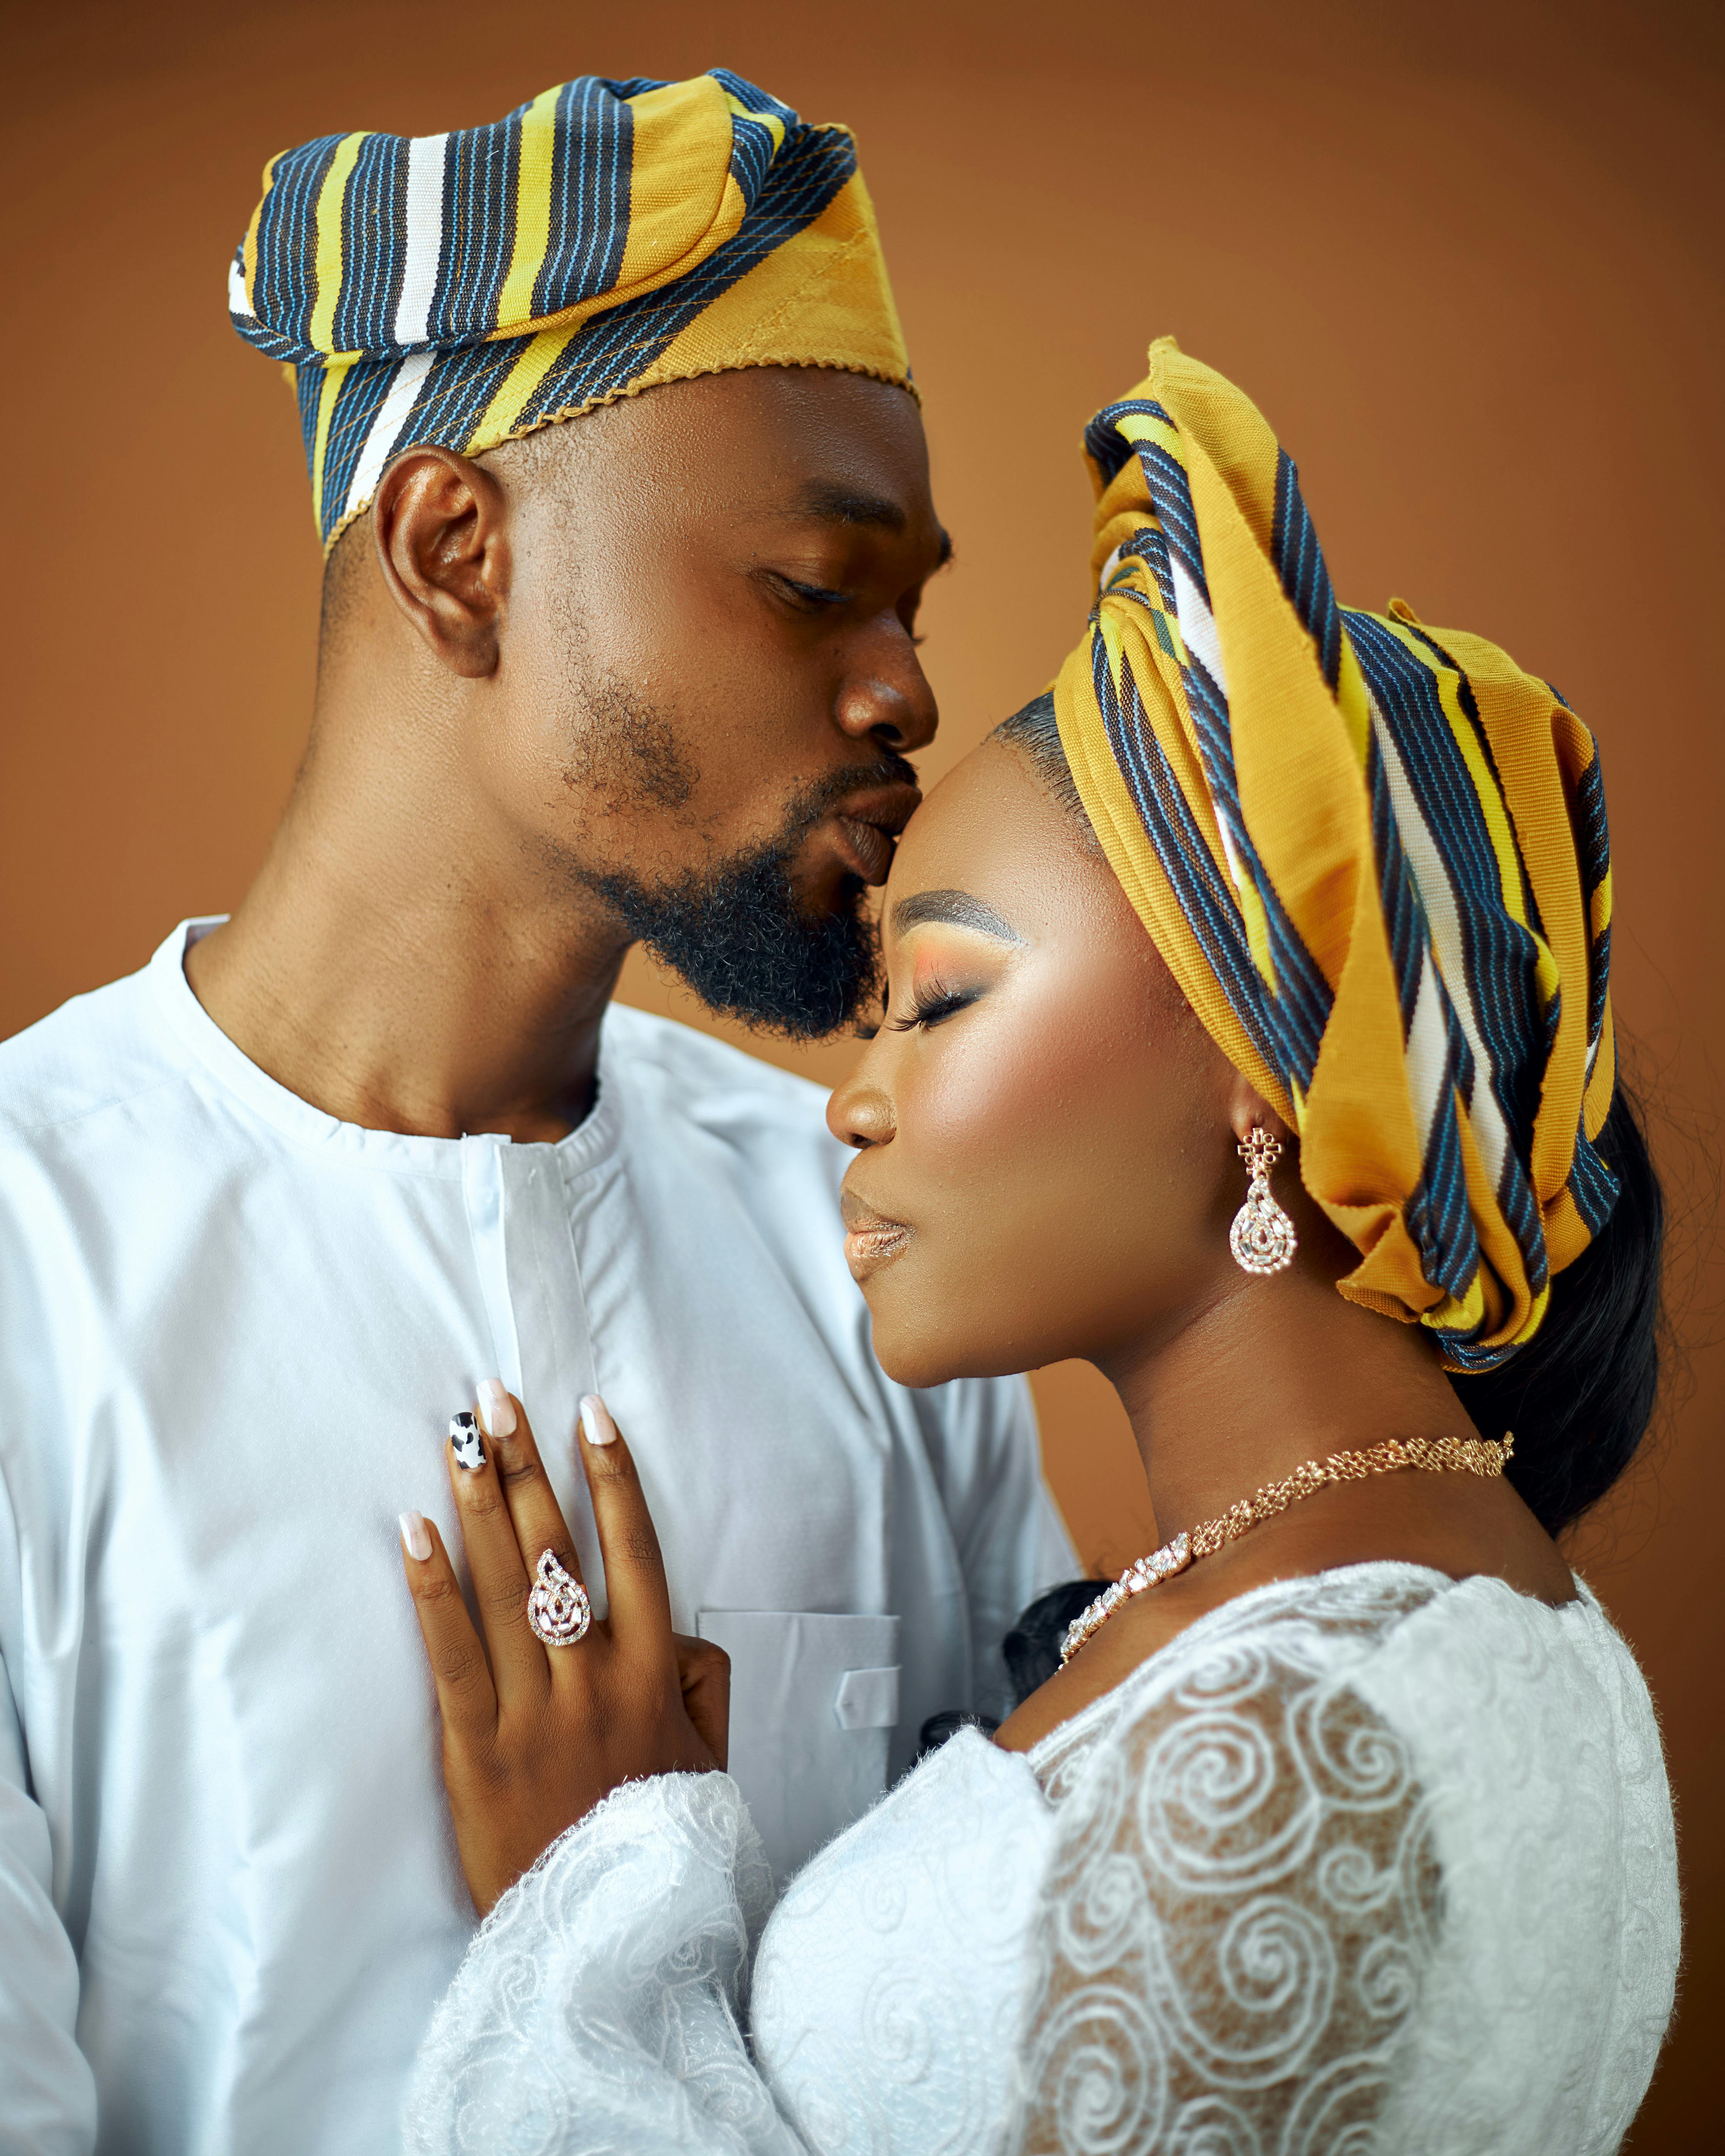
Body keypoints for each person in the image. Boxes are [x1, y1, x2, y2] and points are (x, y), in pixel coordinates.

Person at [394, 338, 1681, 2153]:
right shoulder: (1428, 1604)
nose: (851, 1099)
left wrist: (596, 1902)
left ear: (1265, 1067)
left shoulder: (1280, 1754)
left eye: (938, 1000)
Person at [0, 71, 1073, 2154]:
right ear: (458, 554)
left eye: (914, 610)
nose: (907, 693)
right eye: (816, 585)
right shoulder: (30, 1265)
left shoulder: (865, 1235)